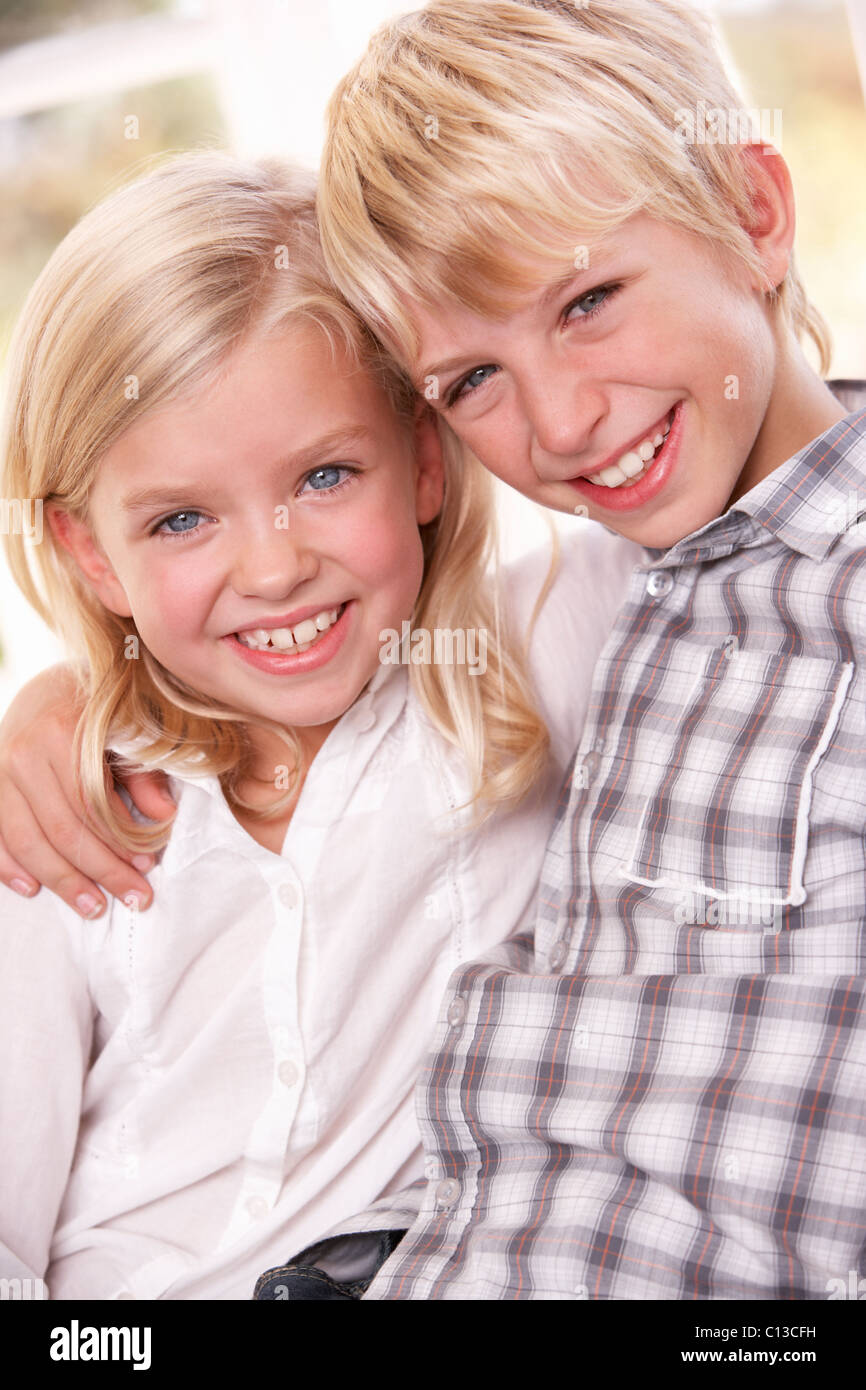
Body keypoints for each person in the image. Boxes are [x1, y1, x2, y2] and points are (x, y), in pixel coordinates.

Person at [253, 0, 866, 1297]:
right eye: (470, 380)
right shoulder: (609, 588)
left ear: (753, 216)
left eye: (587, 300)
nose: (561, 422)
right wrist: (83, 691)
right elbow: (310, 653)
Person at [0, 149, 639, 1299]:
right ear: (91, 554)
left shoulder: (541, 638)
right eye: (183, 518)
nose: (275, 564)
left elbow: (771, 510)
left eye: (329, 476)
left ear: (425, 461)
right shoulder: (61, 825)